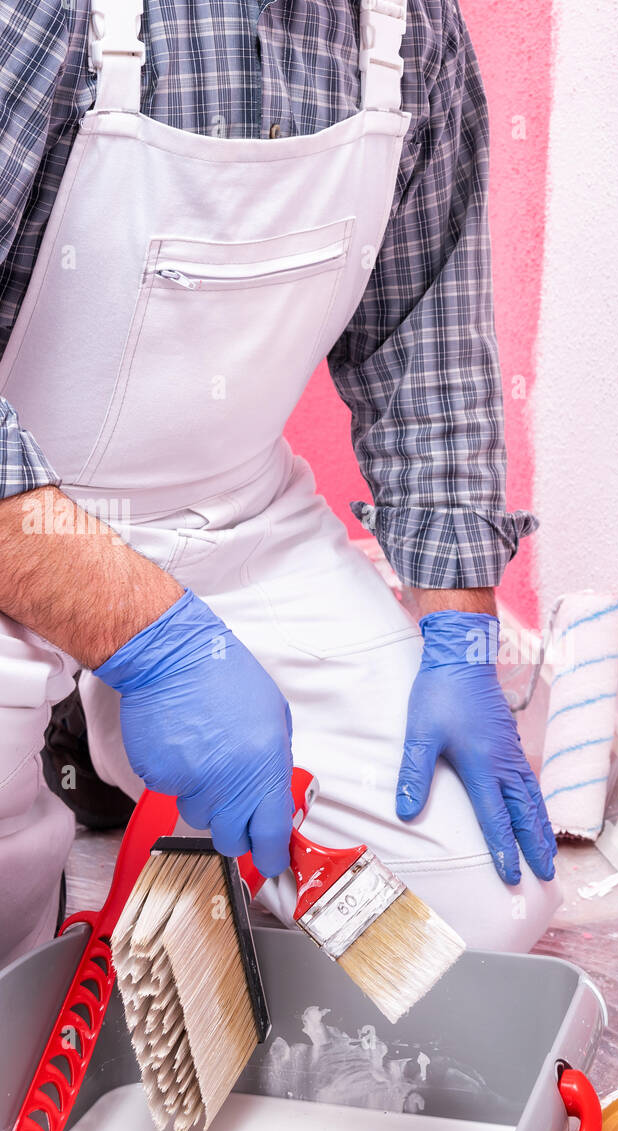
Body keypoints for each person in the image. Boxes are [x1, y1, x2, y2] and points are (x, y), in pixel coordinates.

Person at [0, 0, 559, 968]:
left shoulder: (409, 27)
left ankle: (115, 752)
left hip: (230, 521)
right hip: (19, 520)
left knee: (481, 912)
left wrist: (459, 633)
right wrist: (152, 640)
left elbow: (423, 339)